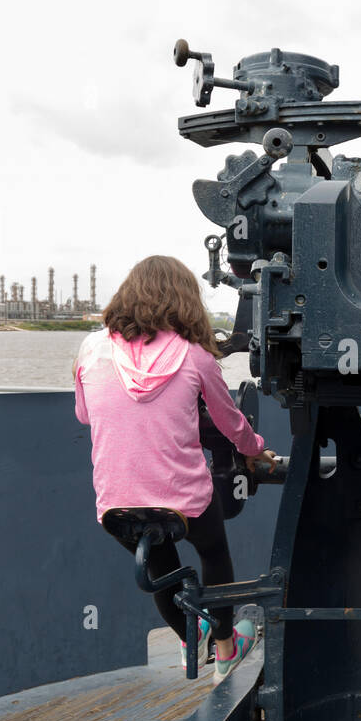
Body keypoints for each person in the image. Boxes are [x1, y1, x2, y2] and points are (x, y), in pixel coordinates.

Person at [73, 255, 276, 683]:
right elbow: (229, 422)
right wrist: (255, 450)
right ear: (185, 302)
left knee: (160, 568)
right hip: (184, 502)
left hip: (116, 506)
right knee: (213, 553)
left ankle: (190, 631)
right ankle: (225, 648)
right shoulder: (196, 356)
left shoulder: (91, 348)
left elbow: (85, 415)